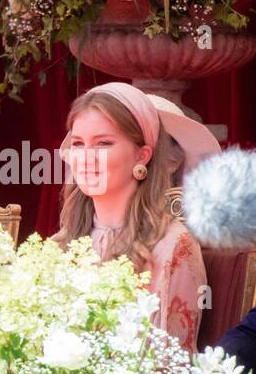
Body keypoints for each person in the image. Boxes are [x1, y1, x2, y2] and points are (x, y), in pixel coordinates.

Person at [53, 82, 218, 351]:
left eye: (103, 143)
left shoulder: (174, 246)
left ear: (142, 155)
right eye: (79, 144)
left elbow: (170, 368)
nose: (86, 158)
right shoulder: (63, 241)